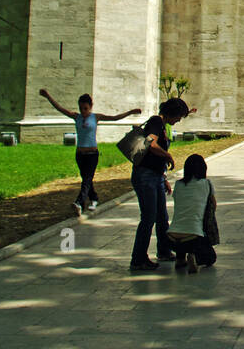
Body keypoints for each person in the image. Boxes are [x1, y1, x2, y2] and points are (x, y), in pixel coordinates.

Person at [39, 86, 140, 216]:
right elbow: (59, 108)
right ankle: (94, 199)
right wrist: (48, 96)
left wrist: (131, 112)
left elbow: (114, 118)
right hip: (80, 154)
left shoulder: (96, 117)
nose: (83, 111)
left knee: (86, 179)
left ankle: (79, 203)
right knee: (87, 179)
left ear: (91, 106)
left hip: (92, 154)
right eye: (81, 108)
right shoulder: (76, 117)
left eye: (85, 108)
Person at [129, 99, 187, 272]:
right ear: (172, 113)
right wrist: (167, 155)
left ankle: (164, 250)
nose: (179, 120)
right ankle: (138, 259)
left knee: (162, 216)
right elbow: (151, 144)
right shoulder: (156, 122)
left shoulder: (161, 125)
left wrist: (164, 178)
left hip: (155, 176)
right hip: (145, 176)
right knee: (148, 217)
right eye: (179, 116)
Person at [168, 153, 217, 272]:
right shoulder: (207, 184)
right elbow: (213, 206)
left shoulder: (178, 184)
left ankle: (180, 259)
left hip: (171, 237)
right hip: (194, 237)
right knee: (211, 259)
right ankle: (193, 255)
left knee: (184, 225)